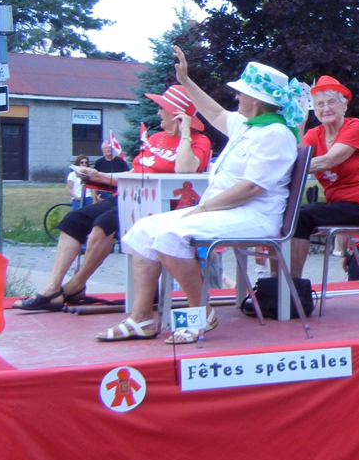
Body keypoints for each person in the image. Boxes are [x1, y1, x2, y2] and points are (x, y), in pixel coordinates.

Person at [102, 58, 309, 342]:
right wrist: (186, 81)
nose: (236, 96)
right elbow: (213, 111)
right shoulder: (249, 125)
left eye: (241, 92)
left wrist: (202, 208)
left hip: (255, 216)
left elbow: (251, 189)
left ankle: (200, 314)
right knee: (143, 230)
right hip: (227, 211)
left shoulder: (275, 133)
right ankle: (141, 319)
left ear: (257, 99)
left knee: (172, 236)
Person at [13, 85, 212, 311]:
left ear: (177, 114)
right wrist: (101, 176)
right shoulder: (155, 138)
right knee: (73, 220)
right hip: (130, 197)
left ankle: (75, 285)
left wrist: (185, 132)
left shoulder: (199, 141)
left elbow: (186, 170)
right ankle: (52, 287)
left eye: (162, 109)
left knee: (104, 224)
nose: (158, 113)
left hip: (162, 206)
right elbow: (135, 174)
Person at [292, 75, 359, 278]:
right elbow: (298, 155)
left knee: (300, 216)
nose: (326, 108)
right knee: (289, 211)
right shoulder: (314, 134)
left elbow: (329, 161)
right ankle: (279, 281)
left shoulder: (355, 127)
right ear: (314, 110)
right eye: (320, 104)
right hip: (341, 205)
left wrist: (290, 166)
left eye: (331, 102)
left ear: (344, 107)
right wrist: (300, 124)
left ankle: (291, 285)